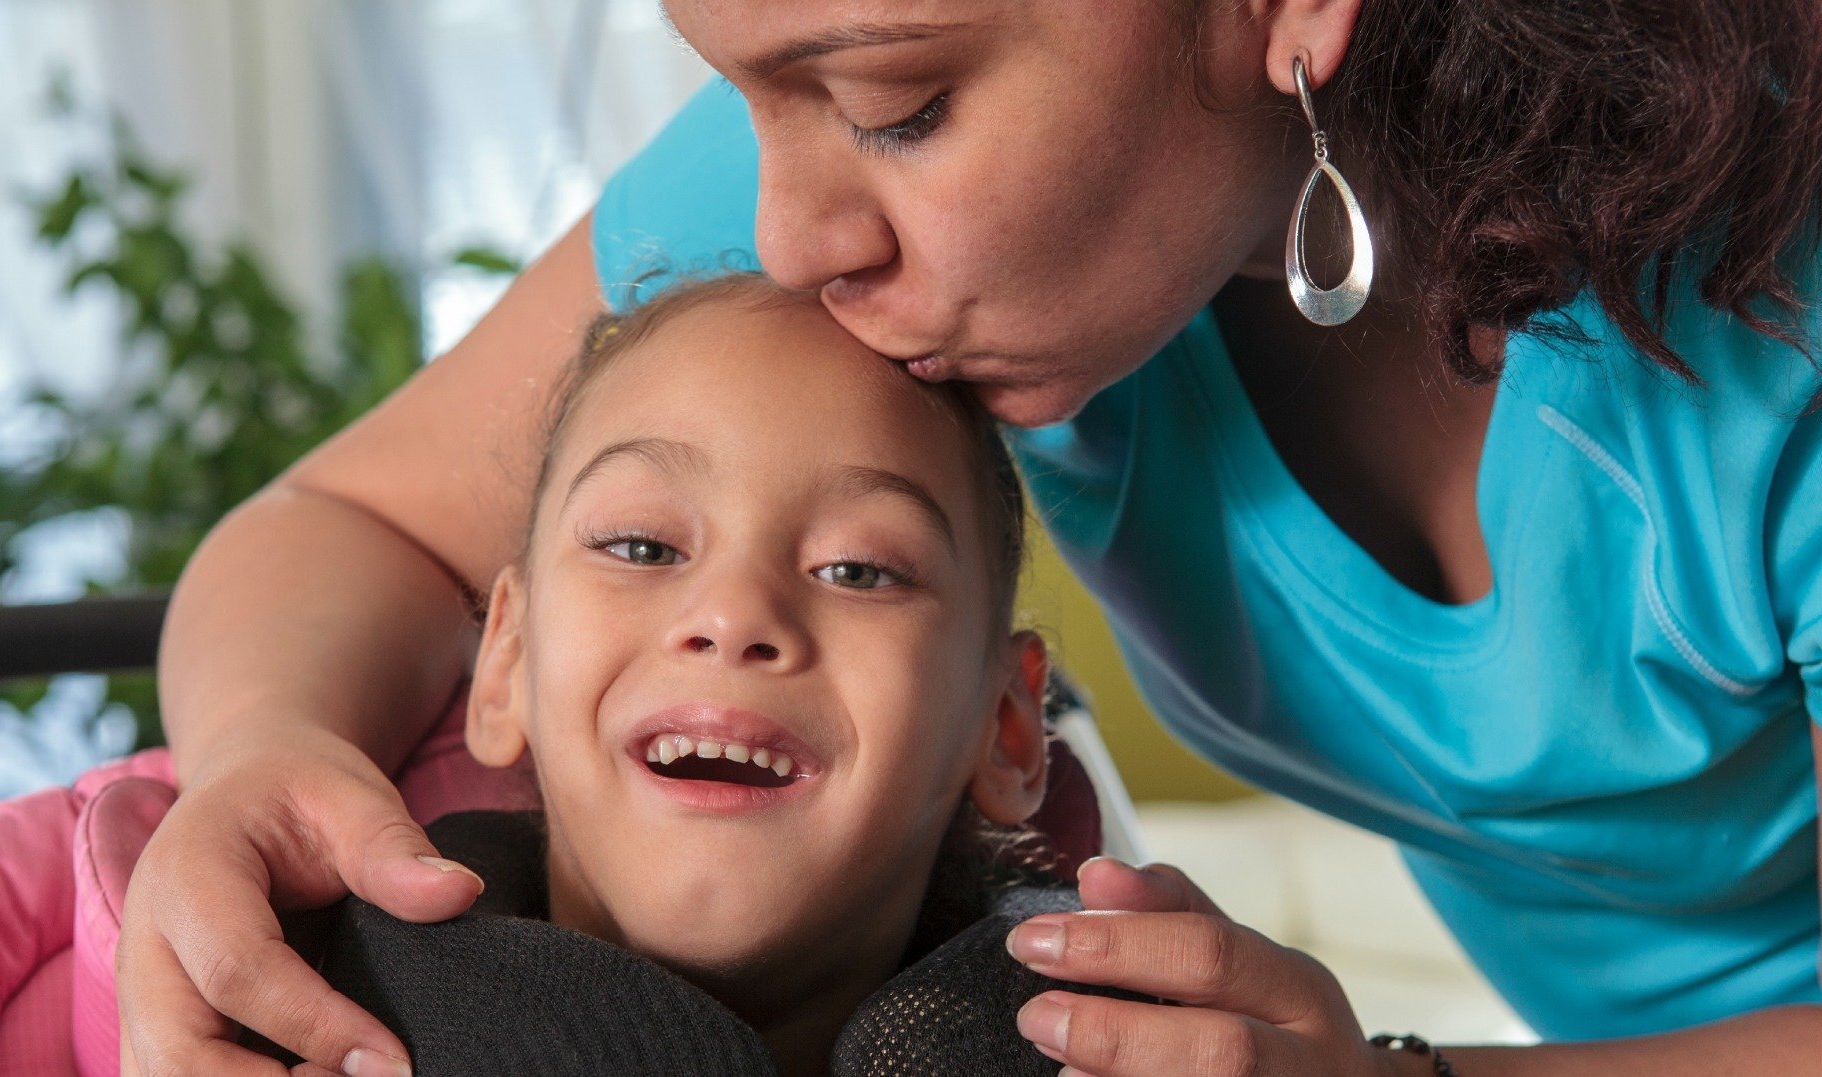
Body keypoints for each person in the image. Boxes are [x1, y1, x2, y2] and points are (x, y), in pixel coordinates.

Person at [116, 0, 1822, 1074]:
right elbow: (352, 521)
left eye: (896, 105)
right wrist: (258, 753)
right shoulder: (906, 150)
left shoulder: (1779, 337)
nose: (785, 238)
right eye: (749, 96)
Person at [311, 273, 1104, 1075]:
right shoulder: (294, 1006)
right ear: (507, 654)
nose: (733, 616)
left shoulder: (1130, 1026)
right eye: (641, 546)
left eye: (858, 569)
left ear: (1004, 729)